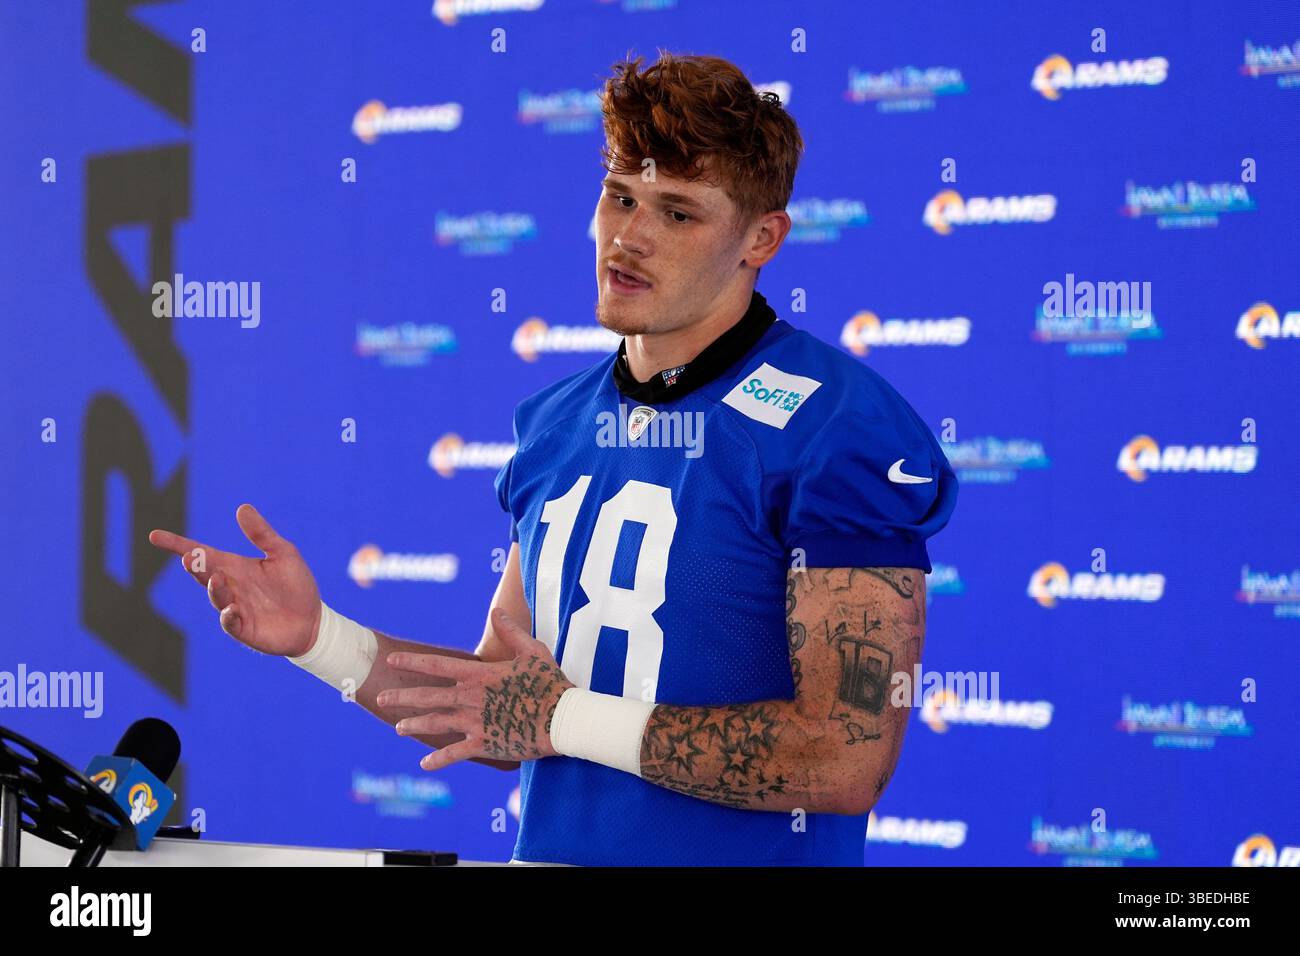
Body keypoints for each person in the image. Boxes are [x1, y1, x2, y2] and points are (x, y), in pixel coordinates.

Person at [149, 51, 957, 866]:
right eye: (619, 197)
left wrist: (561, 720)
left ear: (761, 238)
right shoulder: (557, 423)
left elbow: (845, 758)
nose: (630, 237)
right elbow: (500, 708)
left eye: (678, 213)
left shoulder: (837, 423)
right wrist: (320, 637)